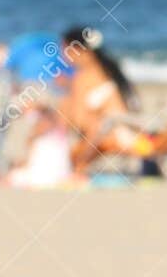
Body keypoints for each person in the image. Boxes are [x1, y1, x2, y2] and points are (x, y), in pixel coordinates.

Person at [60, 26, 151, 170]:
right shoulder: (111, 71)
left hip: (113, 142)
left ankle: (78, 167)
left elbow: (79, 121)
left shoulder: (85, 77)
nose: (64, 56)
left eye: (66, 50)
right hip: (137, 140)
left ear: (80, 50)